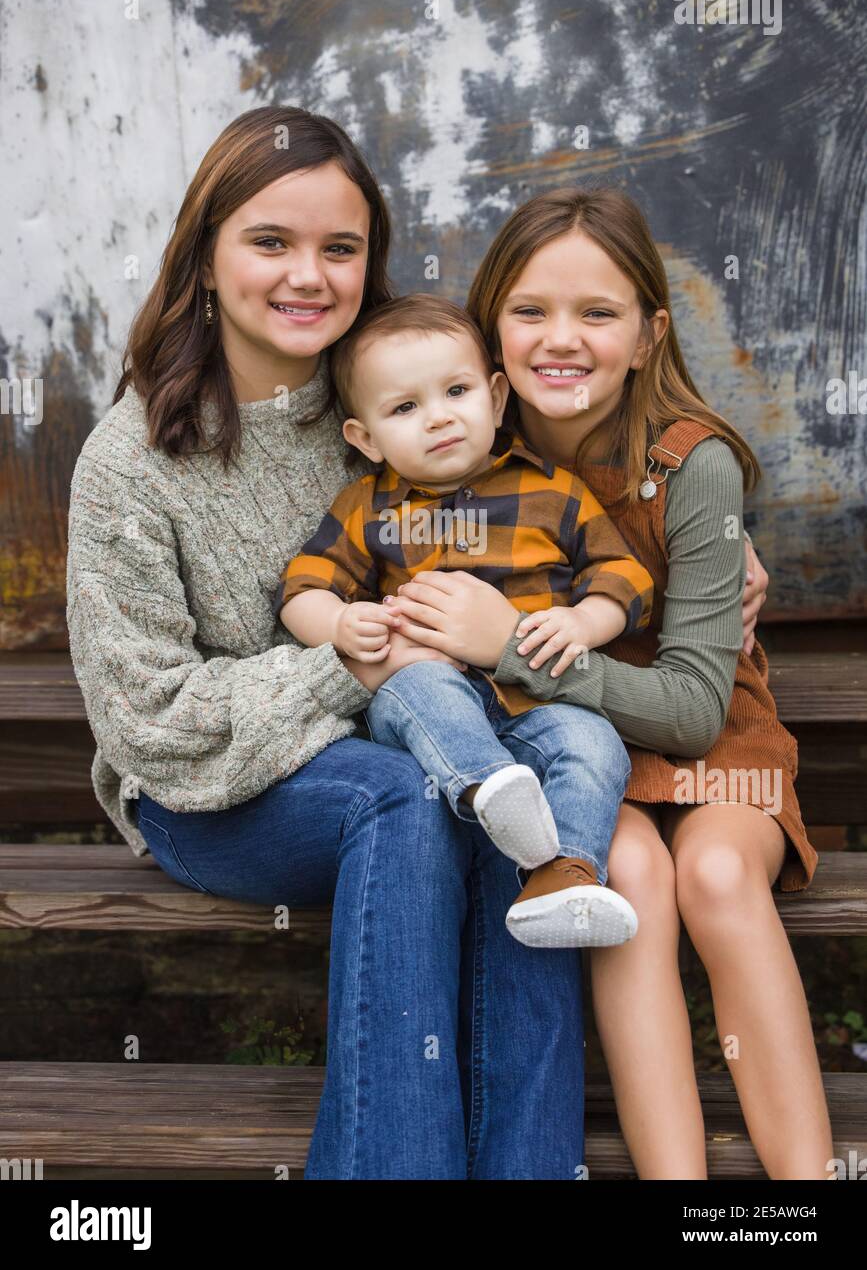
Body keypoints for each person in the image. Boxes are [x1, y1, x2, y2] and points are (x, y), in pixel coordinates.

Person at [66, 105, 591, 1180]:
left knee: (513, 806)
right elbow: (147, 721)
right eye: (271, 242)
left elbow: (547, 481)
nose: (309, 275)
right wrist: (345, 661)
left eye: (339, 249)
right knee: (404, 797)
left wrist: (687, 550)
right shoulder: (132, 461)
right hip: (212, 793)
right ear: (204, 258)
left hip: (418, 746)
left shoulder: (390, 391)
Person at [380, 186, 834, 1179]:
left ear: (648, 333)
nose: (563, 340)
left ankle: (805, 1188)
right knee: (623, 874)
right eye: (531, 311)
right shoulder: (460, 451)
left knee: (715, 874)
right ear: (489, 330)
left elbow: (693, 708)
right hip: (571, 747)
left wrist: (507, 641)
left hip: (711, 738)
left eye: (599, 313)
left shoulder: (691, 466)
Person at [275, 292, 654, 948]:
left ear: (496, 396)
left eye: (456, 391)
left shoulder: (553, 491)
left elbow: (623, 577)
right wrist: (338, 624)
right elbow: (302, 587)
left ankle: (562, 875)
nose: (438, 418)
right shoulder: (368, 506)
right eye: (404, 408)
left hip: (534, 702)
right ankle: (489, 789)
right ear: (364, 437)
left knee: (594, 743)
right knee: (416, 684)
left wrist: (585, 624)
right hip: (428, 709)